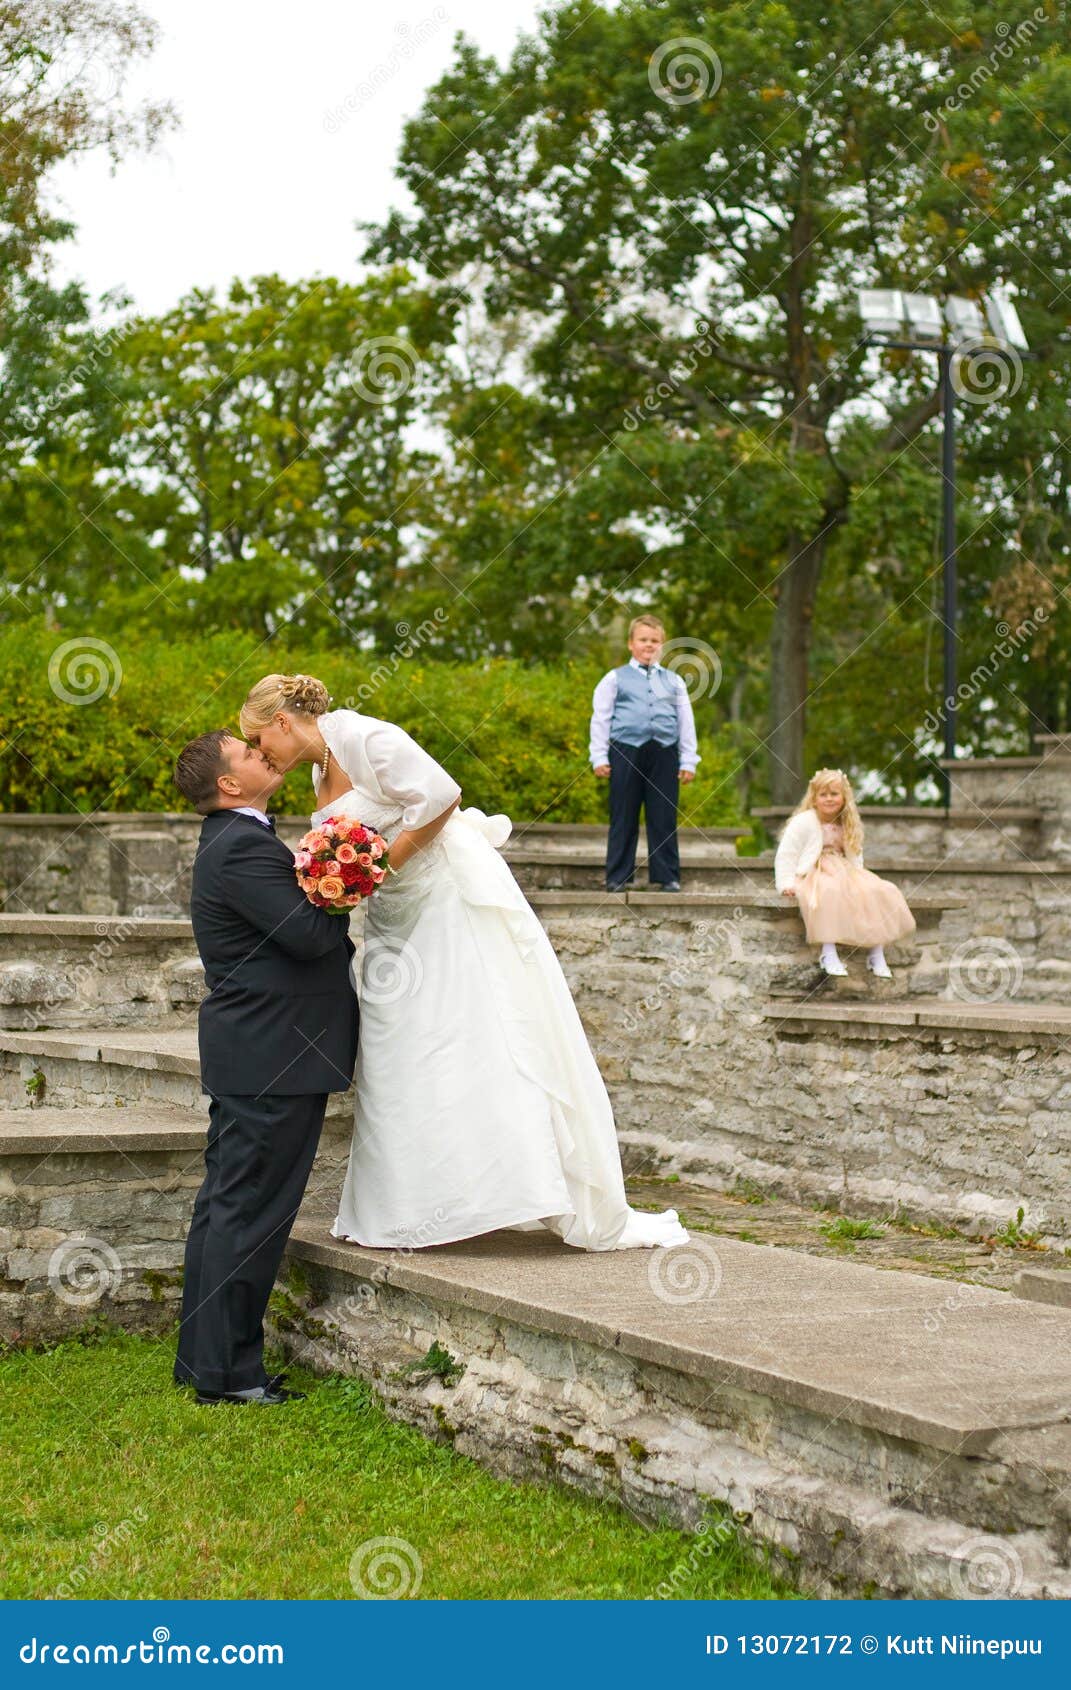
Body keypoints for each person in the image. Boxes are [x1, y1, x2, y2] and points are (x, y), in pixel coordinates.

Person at [239, 673, 689, 1254]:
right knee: (403, 1046)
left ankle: (513, 1188)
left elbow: (442, 795)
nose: (260, 754)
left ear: (282, 721)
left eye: (258, 739)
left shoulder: (366, 738)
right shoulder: (320, 769)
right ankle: (420, 1204)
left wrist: (382, 868)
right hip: (393, 921)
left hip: (445, 901)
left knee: (467, 1034)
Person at [172, 729, 358, 1406]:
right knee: (249, 1215)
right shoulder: (241, 847)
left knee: (228, 1208)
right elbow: (308, 936)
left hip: (262, 1052)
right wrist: (340, 883)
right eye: (247, 753)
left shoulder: (235, 841)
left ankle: (205, 1362)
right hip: (274, 1054)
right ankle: (228, 1377)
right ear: (228, 783)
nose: (261, 753)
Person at [589, 614, 699, 893]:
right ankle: (618, 876)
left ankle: (667, 876)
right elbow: (600, 718)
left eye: (655, 640)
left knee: (663, 815)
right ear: (631, 644)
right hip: (625, 750)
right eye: (643, 640)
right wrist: (599, 756)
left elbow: (686, 721)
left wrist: (688, 759)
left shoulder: (674, 681)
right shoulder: (614, 678)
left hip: (664, 752)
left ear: (662, 645)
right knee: (623, 814)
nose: (649, 645)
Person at [774, 768, 915, 978]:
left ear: (844, 797)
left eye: (834, 794)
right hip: (815, 871)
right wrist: (786, 882)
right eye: (823, 794)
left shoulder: (847, 821)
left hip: (844, 868)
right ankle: (828, 952)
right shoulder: (804, 821)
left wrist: (860, 877)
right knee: (829, 891)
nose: (829, 799)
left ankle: (876, 952)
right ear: (814, 798)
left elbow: (855, 855)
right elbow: (787, 854)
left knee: (878, 890)